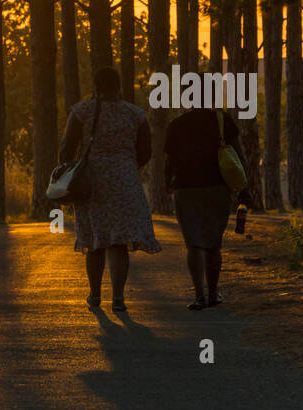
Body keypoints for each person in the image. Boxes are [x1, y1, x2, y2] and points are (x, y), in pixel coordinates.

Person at [58, 66, 160, 312]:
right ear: (119, 87)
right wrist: (126, 165)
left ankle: (94, 294)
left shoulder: (82, 111)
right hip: (125, 181)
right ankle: (118, 297)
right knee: (118, 241)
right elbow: (146, 151)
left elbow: (65, 149)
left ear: (96, 86)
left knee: (94, 241)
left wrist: (74, 169)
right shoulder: (135, 114)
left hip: (91, 183)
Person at [163, 103, 252, 310]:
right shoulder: (223, 121)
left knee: (193, 244)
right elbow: (239, 156)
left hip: (185, 188)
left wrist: (168, 183)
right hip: (218, 187)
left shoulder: (177, 124)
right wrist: (244, 187)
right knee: (213, 244)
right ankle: (213, 293)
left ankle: (199, 295)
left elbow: (170, 161)